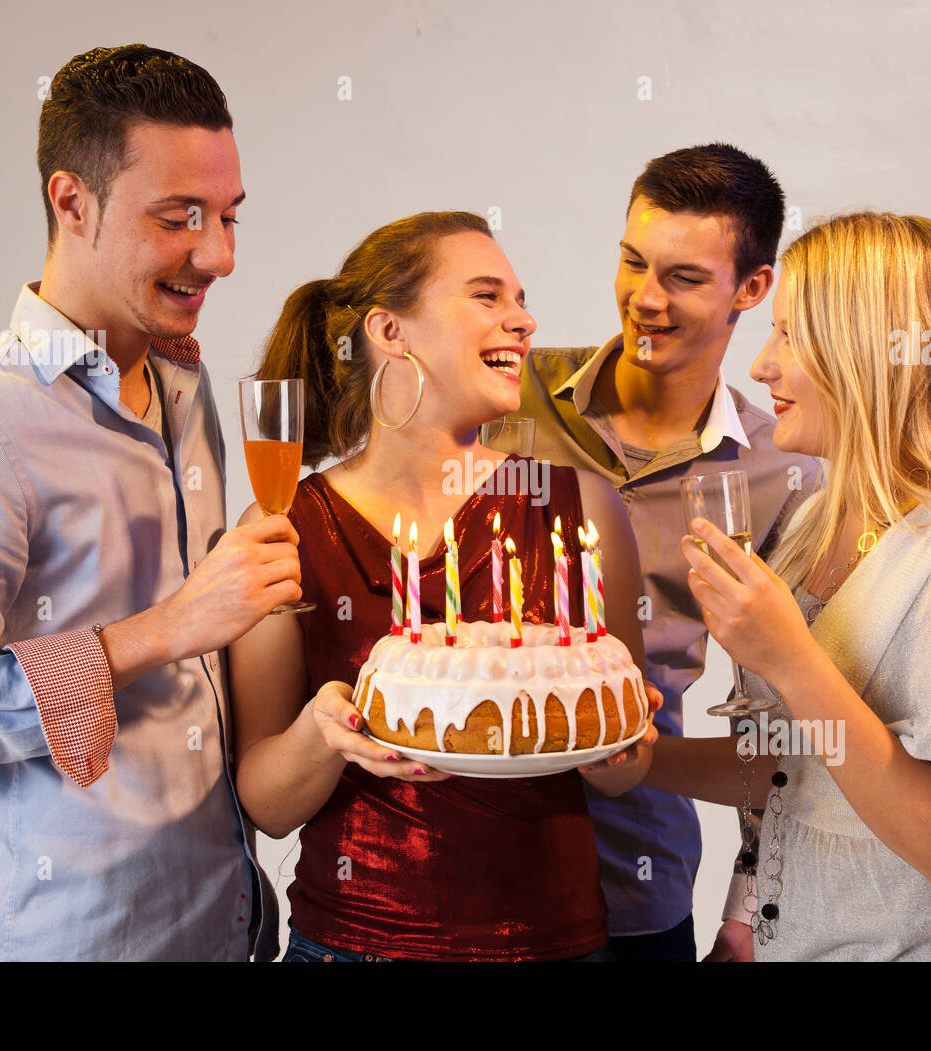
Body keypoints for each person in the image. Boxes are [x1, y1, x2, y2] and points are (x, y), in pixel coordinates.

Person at [0, 44, 300, 960]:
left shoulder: (186, 385)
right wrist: (164, 628)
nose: (217, 254)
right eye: (180, 217)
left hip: (227, 930)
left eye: (227, 215)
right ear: (72, 202)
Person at [630, 212, 931, 959]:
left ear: (876, 353)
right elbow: (797, 772)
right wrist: (646, 760)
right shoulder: (814, 520)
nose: (760, 366)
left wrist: (788, 657)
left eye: (790, 336)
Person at [228, 211, 660, 962]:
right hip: (352, 945)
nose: (522, 320)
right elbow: (265, 801)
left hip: (555, 945)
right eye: (488, 296)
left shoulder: (581, 506)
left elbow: (628, 763)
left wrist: (620, 748)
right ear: (391, 331)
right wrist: (320, 733)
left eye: (519, 299)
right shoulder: (285, 525)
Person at [489, 143, 819, 960]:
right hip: (468, 870)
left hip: (633, 891)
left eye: (684, 278)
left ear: (753, 288)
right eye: (633, 263)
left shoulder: (783, 472)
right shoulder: (509, 393)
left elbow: (778, 723)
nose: (645, 300)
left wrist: (747, 915)